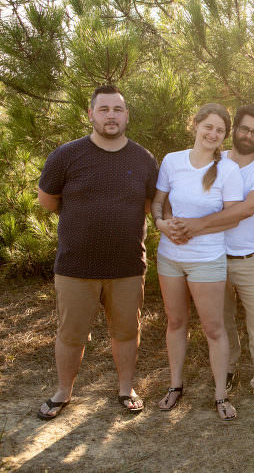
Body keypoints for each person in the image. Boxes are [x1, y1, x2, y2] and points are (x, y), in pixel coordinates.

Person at [36, 85, 158, 419]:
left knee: (126, 332)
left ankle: (125, 388)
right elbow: (47, 200)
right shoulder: (66, 155)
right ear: (90, 114)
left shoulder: (144, 158)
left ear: (126, 115)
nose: (111, 116)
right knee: (71, 334)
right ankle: (63, 392)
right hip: (76, 265)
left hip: (128, 265)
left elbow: (150, 205)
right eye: (103, 109)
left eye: (117, 109)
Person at [168, 105, 254, 406]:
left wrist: (198, 225)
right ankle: (226, 370)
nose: (249, 135)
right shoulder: (214, 160)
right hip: (211, 257)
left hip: (247, 258)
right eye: (244, 128)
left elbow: (247, 208)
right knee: (221, 323)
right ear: (233, 129)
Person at [151, 103, 243, 420]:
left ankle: (220, 395)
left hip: (207, 259)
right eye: (209, 127)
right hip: (170, 257)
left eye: (220, 130)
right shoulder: (172, 161)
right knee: (175, 322)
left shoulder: (229, 169)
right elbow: (158, 204)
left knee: (214, 329)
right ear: (195, 125)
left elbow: (231, 218)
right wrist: (162, 225)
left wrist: (195, 228)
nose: (213, 134)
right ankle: (175, 386)